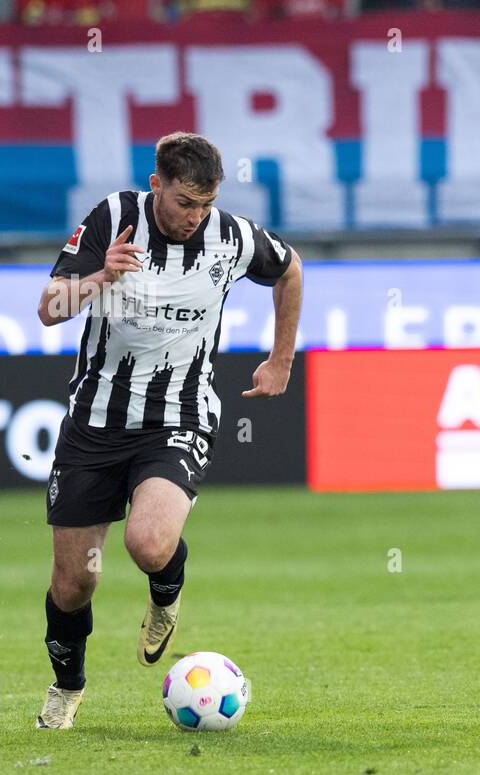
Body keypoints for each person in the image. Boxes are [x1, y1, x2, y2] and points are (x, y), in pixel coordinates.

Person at [34, 131, 303, 729]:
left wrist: (281, 356)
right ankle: (67, 685)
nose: (195, 217)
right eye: (185, 203)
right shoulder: (113, 218)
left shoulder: (231, 237)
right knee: (74, 582)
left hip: (177, 417)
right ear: (157, 185)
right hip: (96, 423)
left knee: (148, 544)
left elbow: (290, 269)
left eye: (205, 205)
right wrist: (97, 277)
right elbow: (50, 308)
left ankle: (165, 595)